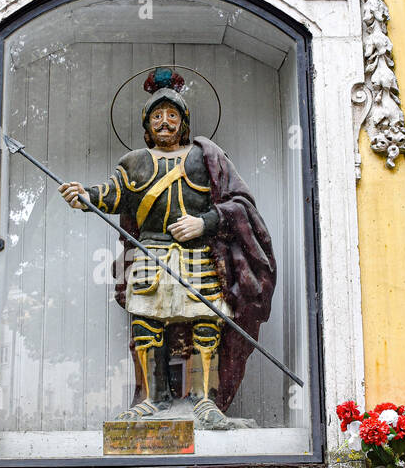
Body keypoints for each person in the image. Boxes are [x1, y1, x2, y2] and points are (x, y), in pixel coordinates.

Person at [60, 67, 276, 430]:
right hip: (149, 254)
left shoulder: (207, 158)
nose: (164, 122)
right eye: (157, 116)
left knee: (206, 320)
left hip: (198, 255)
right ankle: (152, 398)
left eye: (172, 115)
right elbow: (114, 195)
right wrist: (86, 197)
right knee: (147, 323)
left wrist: (204, 222)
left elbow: (241, 204)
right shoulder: (134, 162)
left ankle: (205, 399)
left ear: (183, 121)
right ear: (147, 123)